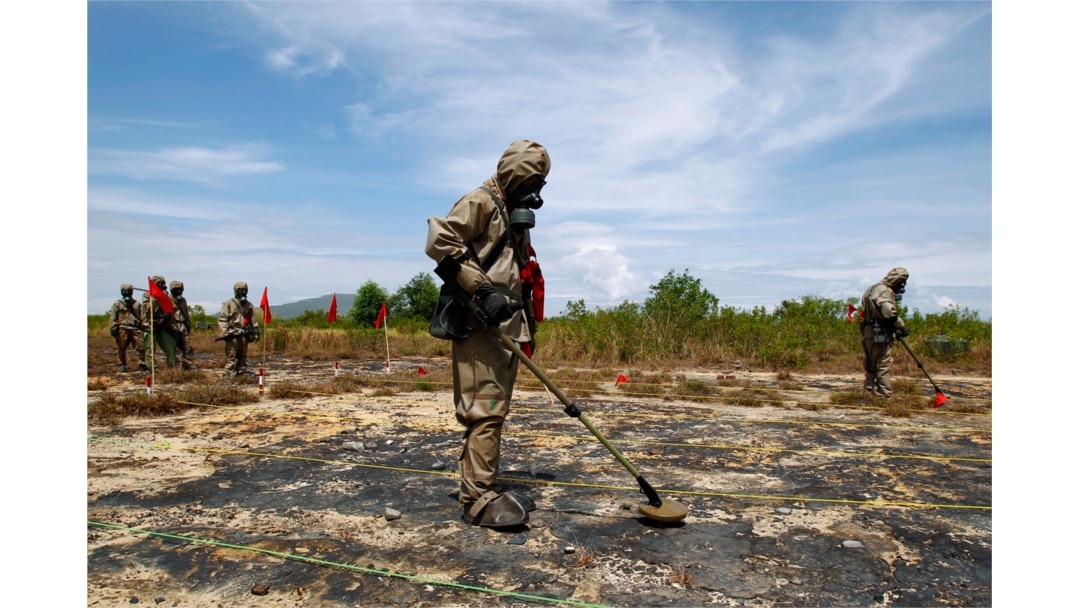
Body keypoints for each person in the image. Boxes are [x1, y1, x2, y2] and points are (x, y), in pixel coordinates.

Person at [425, 140, 550, 528]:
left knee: (497, 410)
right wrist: (481, 289)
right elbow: (439, 241)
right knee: (486, 410)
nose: (537, 194)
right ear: (514, 173)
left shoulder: (511, 211)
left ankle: (485, 483)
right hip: (481, 322)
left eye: (541, 185)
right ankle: (476, 498)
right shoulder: (480, 201)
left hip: (507, 325)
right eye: (531, 182)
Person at [860, 267, 910, 398]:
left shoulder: (872, 288)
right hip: (880, 332)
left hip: (869, 331)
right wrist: (901, 327)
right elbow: (889, 313)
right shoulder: (884, 291)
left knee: (871, 364)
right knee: (883, 363)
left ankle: (869, 391)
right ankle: (884, 394)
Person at [218, 281, 259, 377]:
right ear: (236, 291)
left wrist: (255, 331)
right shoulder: (229, 304)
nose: (243, 292)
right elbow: (223, 319)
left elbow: (253, 319)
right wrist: (225, 333)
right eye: (241, 290)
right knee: (232, 354)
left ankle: (242, 370)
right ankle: (230, 372)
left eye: (244, 290)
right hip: (233, 333)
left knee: (242, 355)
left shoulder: (249, 305)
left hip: (244, 333)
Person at [108, 283, 147, 373]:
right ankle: (122, 365)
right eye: (125, 291)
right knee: (121, 347)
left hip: (135, 328)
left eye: (128, 291)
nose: (127, 292)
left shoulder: (137, 304)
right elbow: (113, 317)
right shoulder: (117, 304)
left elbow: (142, 317)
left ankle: (142, 363)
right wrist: (113, 328)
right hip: (122, 328)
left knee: (141, 347)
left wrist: (144, 327)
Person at [142, 275, 178, 369]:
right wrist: (155, 298)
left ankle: (172, 366)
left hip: (163, 325)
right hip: (151, 325)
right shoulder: (147, 295)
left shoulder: (165, 295)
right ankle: (151, 367)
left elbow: (172, 309)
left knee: (170, 346)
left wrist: (165, 298)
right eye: (160, 283)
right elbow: (147, 309)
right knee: (150, 349)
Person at [169, 280, 197, 370]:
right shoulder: (168, 299)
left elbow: (186, 313)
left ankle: (188, 363)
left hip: (183, 325)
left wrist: (188, 324)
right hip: (173, 325)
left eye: (180, 289)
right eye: (176, 289)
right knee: (174, 347)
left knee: (187, 346)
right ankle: (177, 365)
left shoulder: (183, 300)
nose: (179, 291)